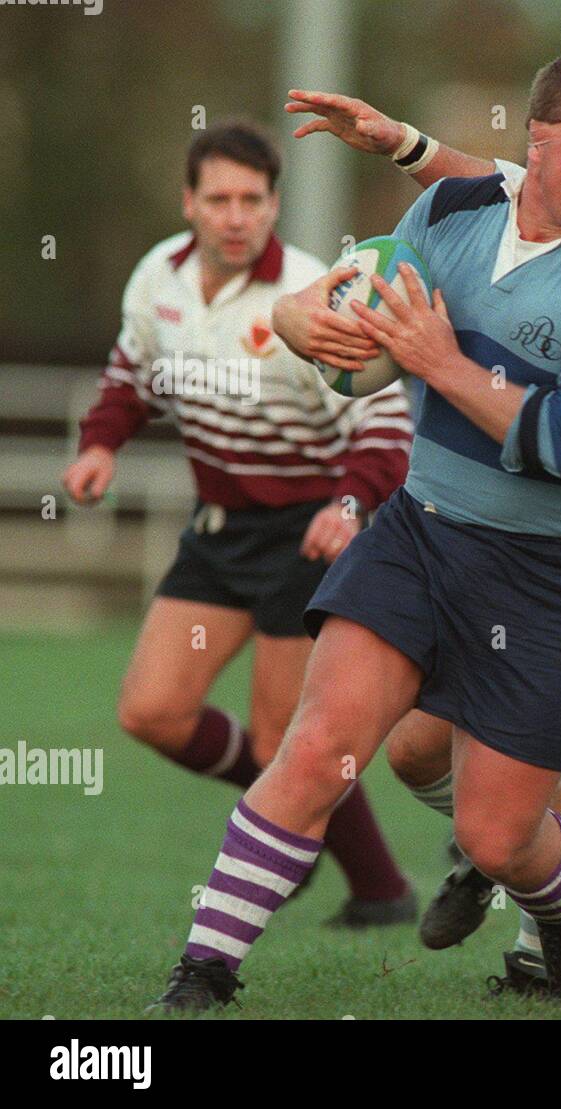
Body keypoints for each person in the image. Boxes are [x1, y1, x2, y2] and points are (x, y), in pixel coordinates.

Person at [147, 51, 561, 1014]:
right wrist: (311, 328)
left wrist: (440, 361)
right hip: (423, 529)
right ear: (536, 144)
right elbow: (357, 362)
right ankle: (204, 973)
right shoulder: (453, 211)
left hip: (551, 571)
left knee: (494, 835)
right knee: (316, 748)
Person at [278, 88, 561, 993]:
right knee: (411, 753)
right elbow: (497, 179)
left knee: (514, 777)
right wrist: (402, 147)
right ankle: (500, 852)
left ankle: (532, 920)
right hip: (525, 520)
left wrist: (533, 584)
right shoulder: (537, 211)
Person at [63, 120, 416, 929]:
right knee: (150, 711)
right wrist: (99, 446)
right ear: (189, 202)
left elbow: (385, 420)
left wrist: (350, 504)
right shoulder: (160, 275)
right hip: (221, 529)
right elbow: (131, 373)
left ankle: (346, 872)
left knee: (276, 738)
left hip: (309, 528)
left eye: (251, 199)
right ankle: (337, 857)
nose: (234, 215)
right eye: (217, 198)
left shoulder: (313, 291)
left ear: (273, 205)